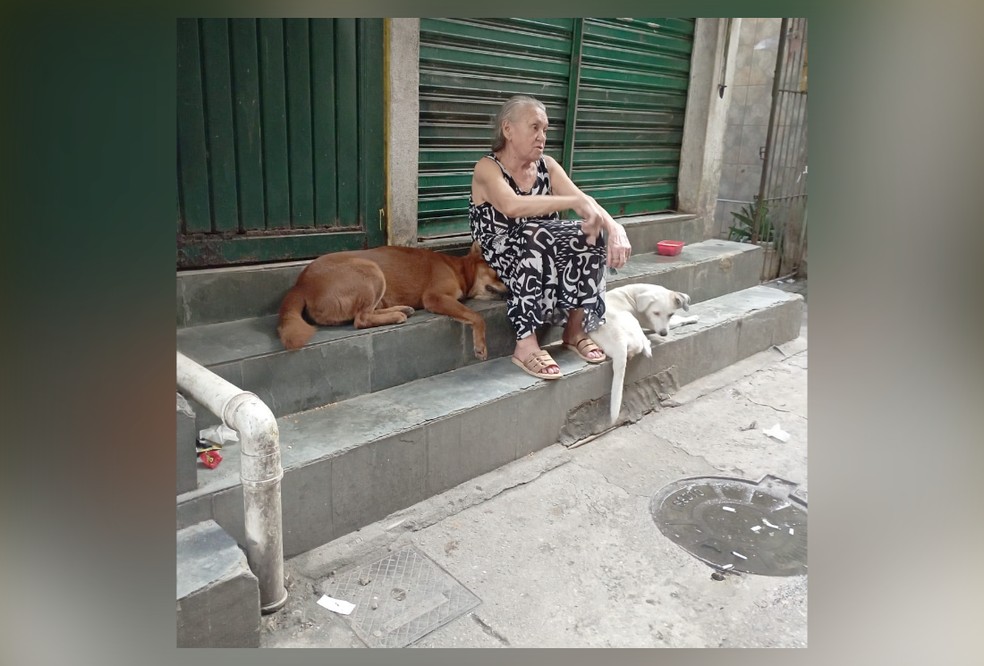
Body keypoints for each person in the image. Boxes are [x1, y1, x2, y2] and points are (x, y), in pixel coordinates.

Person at [469, 94, 633, 380]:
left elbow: (583, 201)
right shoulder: (488, 167)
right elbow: (512, 206)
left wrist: (615, 228)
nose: (542, 136)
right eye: (534, 127)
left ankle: (574, 330)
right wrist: (572, 202)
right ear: (508, 129)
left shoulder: (547, 166)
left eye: (545, 129)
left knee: (588, 233)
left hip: (540, 247)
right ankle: (525, 344)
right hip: (500, 253)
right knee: (534, 231)